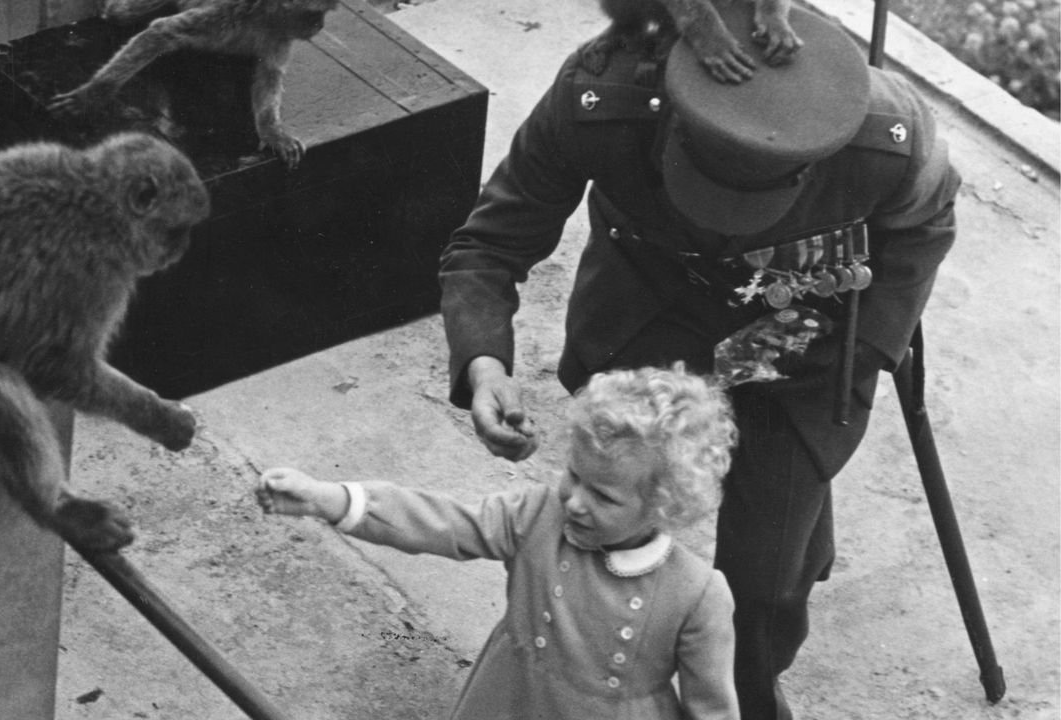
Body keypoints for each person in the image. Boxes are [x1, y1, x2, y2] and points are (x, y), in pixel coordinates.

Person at [437, 1, 961, 718]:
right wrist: (485, 365)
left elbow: (927, 226)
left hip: (801, 336)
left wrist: (868, 348)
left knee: (766, 585)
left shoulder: (883, 135)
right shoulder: (601, 98)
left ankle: (749, 689)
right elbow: (490, 242)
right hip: (649, 319)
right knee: (602, 529)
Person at [257, 365, 740, 720]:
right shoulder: (537, 515)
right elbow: (443, 522)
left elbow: (712, 709)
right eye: (573, 475)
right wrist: (328, 498)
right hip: (509, 699)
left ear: (665, 505)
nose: (574, 501)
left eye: (604, 496)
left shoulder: (696, 593)